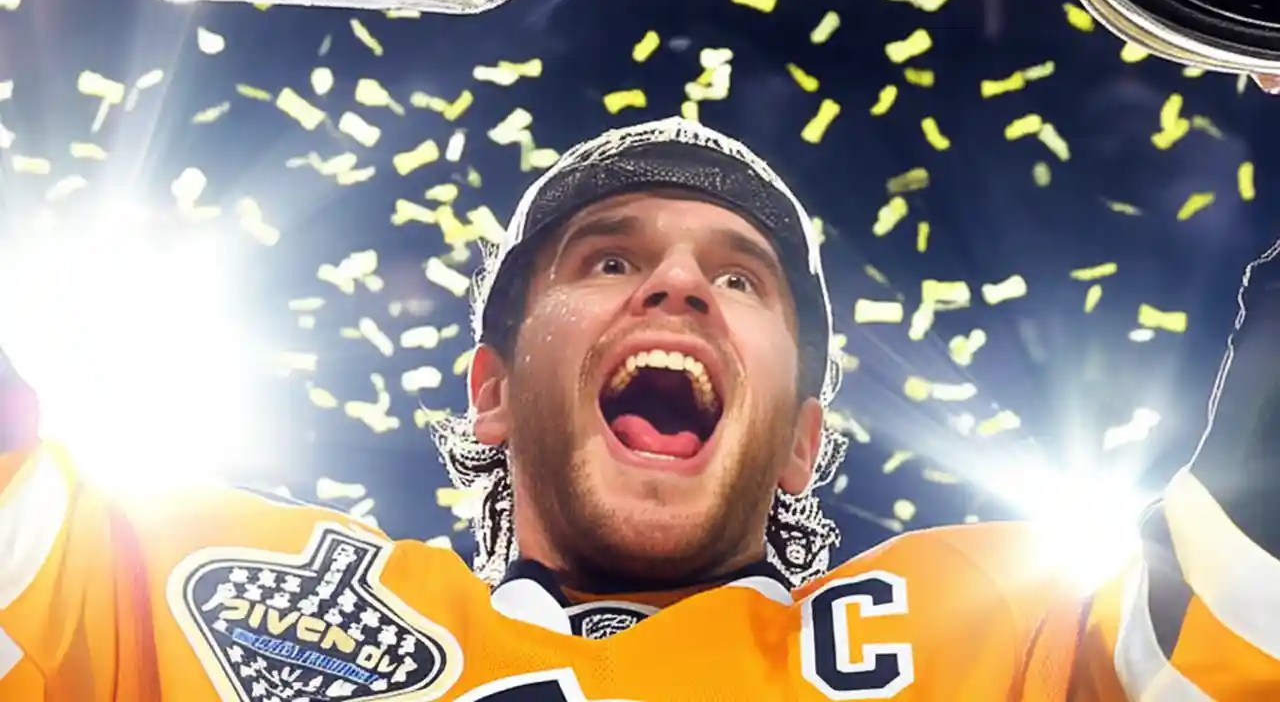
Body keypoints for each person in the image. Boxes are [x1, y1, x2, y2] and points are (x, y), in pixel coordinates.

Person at [0, 116, 1277, 701]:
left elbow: (1246, 592)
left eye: (739, 277)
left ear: (798, 443)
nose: (676, 283)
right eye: (608, 260)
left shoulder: (1006, 637)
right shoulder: (168, 587)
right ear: (492, 393)